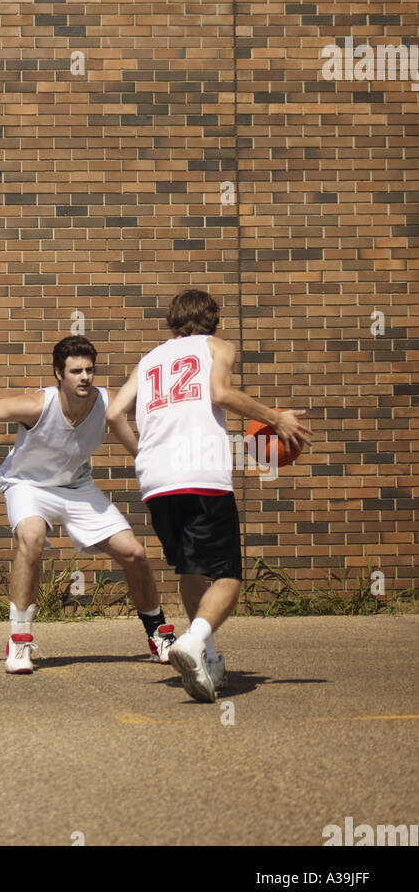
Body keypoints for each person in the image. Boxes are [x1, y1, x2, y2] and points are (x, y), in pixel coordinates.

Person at [0, 335, 174, 674]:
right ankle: (19, 641)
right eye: (75, 371)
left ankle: (158, 635)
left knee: (134, 553)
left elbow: (147, 425)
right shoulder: (37, 406)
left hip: (77, 487)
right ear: (59, 374)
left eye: (89, 370)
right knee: (32, 538)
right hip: (27, 485)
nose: (84, 377)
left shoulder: (107, 405)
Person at [106, 289, 310, 702]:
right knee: (229, 575)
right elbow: (220, 393)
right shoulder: (219, 347)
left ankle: (208, 659)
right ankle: (193, 639)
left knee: (190, 570)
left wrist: (143, 452)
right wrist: (275, 418)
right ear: (214, 320)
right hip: (201, 474)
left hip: (156, 479)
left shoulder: (147, 361)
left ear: (172, 321)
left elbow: (113, 414)